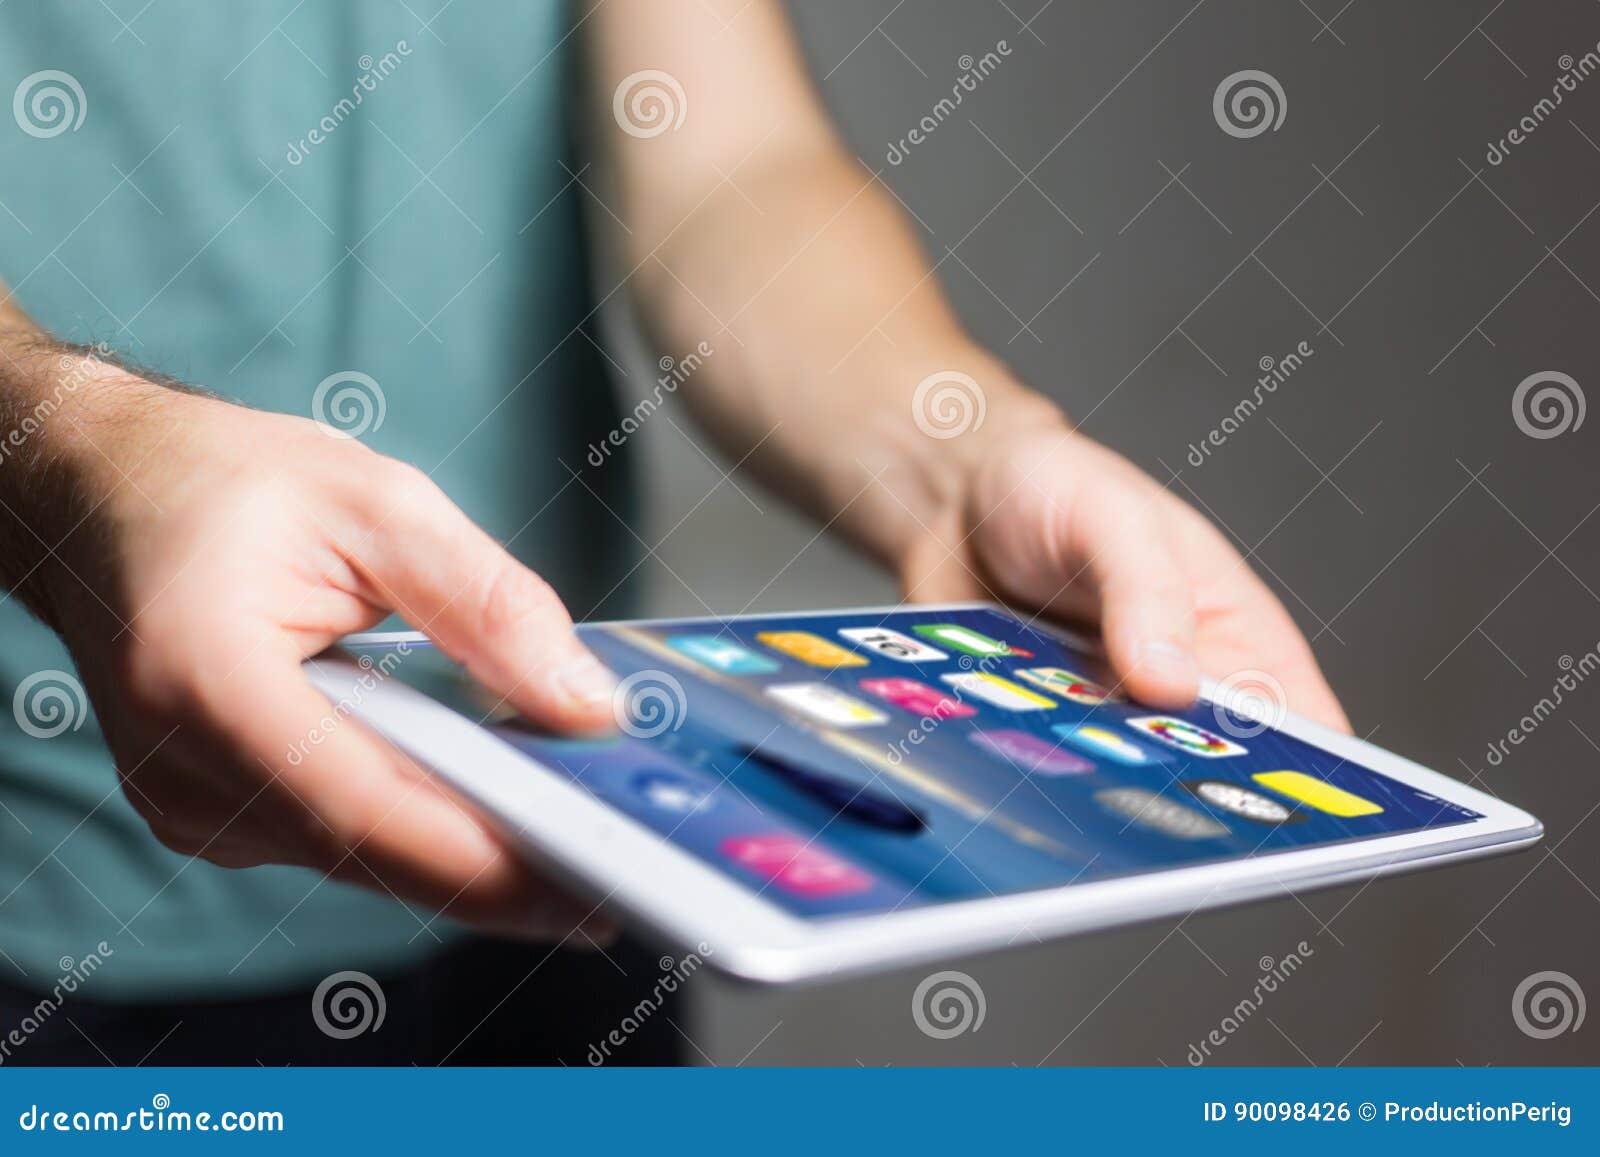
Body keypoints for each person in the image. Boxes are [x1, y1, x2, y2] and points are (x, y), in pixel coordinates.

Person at [0, 0, 1347, 1064]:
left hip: (585, 842)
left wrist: (967, 458)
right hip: (45, 929)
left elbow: (732, 165)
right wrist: (72, 451)